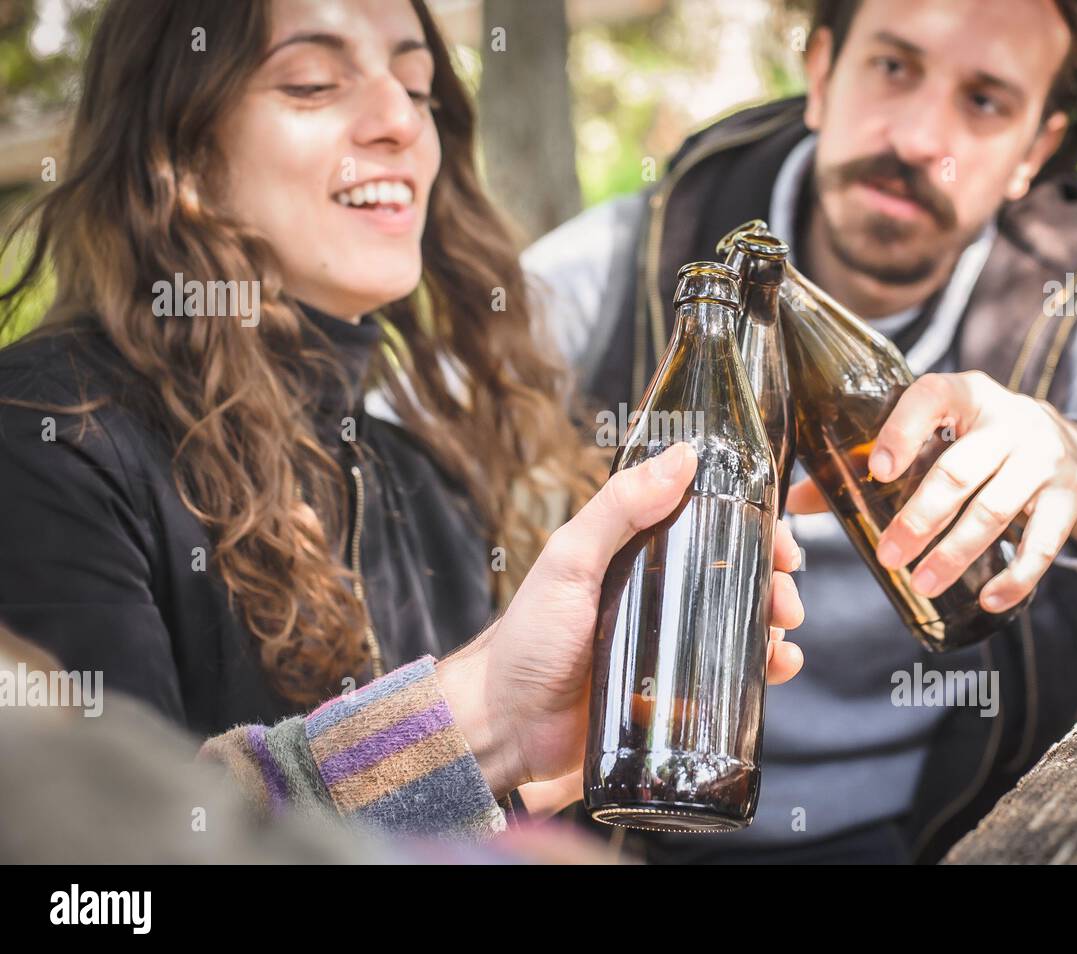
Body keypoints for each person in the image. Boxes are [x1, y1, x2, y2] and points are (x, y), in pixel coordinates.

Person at [0, 0, 804, 825]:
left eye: (417, 88)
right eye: (314, 82)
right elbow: (102, 867)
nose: (399, 122)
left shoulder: (426, 477)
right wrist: (478, 714)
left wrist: (563, 757)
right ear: (177, 144)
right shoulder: (45, 440)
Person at [526, 0, 1077, 862]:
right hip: (613, 827)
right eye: (894, 66)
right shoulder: (642, 253)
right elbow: (416, 398)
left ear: (1035, 147)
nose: (920, 137)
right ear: (820, 72)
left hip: (933, 834)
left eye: (985, 101)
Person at [4, 442, 797, 862]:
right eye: (321, 116)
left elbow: (195, 822)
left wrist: (500, 713)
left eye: (432, 117)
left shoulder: (419, 457)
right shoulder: (50, 444)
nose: (398, 129)